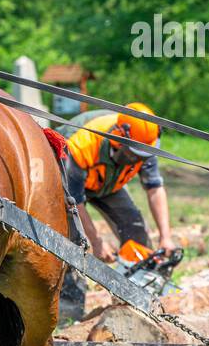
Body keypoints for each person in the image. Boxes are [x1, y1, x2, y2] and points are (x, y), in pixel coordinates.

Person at [57, 102, 175, 322]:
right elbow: (74, 200)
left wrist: (166, 237)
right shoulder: (82, 143)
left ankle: (138, 303)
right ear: (118, 139)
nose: (140, 159)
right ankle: (68, 310)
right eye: (134, 154)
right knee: (74, 239)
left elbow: (155, 188)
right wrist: (96, 241)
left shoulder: (144, 143)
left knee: (136, 231)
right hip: (66, 186)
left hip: (108, 184)